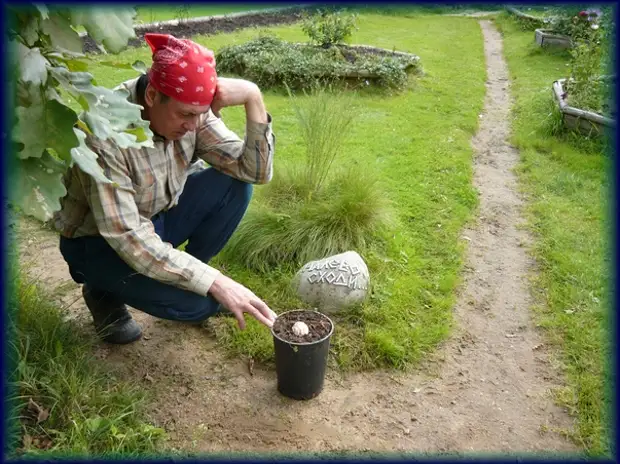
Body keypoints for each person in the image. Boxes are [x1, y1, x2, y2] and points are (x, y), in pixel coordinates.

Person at [54, 33, 277, 344]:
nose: (194, 125)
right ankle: (101, 290)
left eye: (201, 114)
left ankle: (191, 276)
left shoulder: (192, 111)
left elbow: (255, 172)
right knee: (199, 305)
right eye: (186, 114)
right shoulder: (103, 132)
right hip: (98, 244)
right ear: (153, 96)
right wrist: (215, 283)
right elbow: (129, 237)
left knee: (235, 186)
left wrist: (253, 97)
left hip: (156, 220)